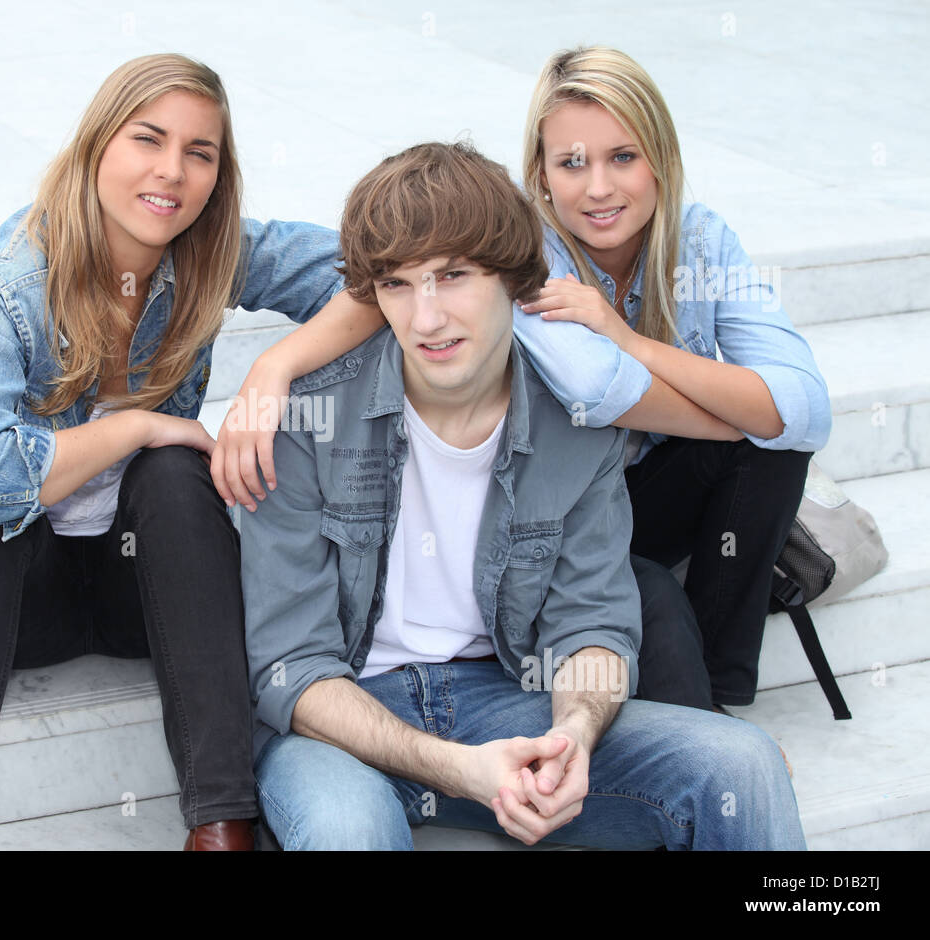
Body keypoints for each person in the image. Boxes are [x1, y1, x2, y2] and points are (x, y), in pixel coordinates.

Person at [238, 140, 805, 850]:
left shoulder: (579, 424)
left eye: (454, 276)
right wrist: (457, 769)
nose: (427, 318)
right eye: (397, 285)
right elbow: (293, 668)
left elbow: (591, 624)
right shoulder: (301, 422)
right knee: (349, 832)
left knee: (742, 765)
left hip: (503, 699)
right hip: (339, 724)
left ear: (514, 280)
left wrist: (571, 734)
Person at [0, 53, 383, 851]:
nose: (172, 173)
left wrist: (274, 365)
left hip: (145, 590)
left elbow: (380, 273)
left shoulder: (207, 249)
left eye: (201, 152)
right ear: (96, 149)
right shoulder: (11, 283)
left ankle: (222, 823)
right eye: (148, 140)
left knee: (174, 475)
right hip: (21, 603)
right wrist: (136, 424)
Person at [514, 46, 830, 709]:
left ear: (661, 158)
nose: (599, 188)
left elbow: (805, 408)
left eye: (622, 157)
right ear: (541, 176)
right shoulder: (525, 249)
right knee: (657, 589)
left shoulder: (701, 241)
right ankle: (708, 728)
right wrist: (734, 415)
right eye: (572, 163)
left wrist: (630, 339)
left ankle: (723, 689)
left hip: (651, 498)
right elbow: (595, 390)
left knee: (774, 448)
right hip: (562, 520)